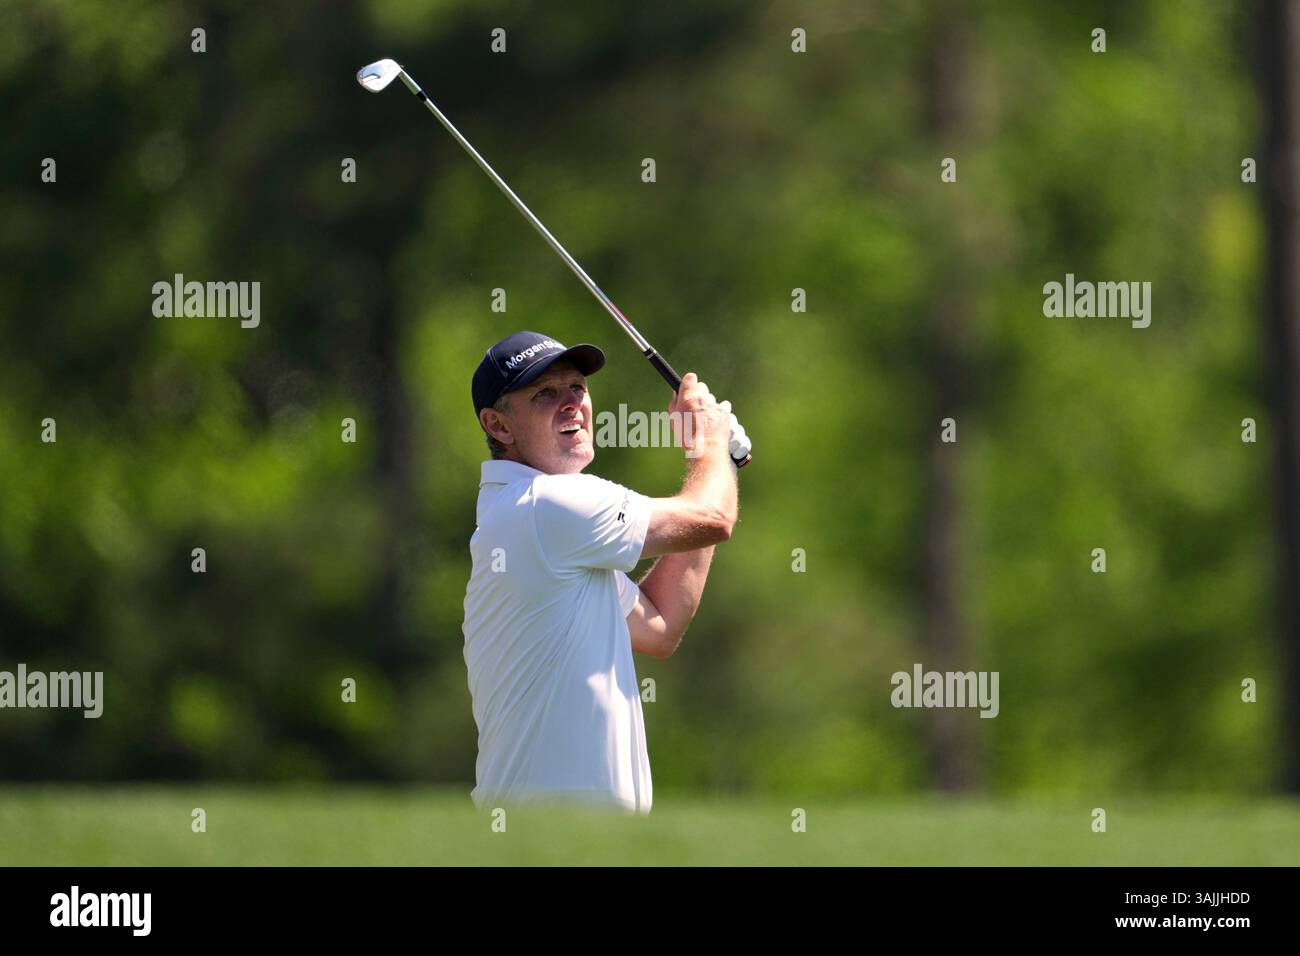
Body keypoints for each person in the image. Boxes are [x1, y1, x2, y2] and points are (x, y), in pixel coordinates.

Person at [461, 330, 743, 813]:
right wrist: (709, 445)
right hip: (546, 839)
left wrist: (725, 463)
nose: (572, 403)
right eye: (544, 394)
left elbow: (659, 625)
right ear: (499, 425)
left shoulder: (547, 529)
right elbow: (712, 519)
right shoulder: (548, 504)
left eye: (577, 387)